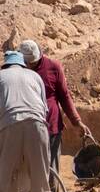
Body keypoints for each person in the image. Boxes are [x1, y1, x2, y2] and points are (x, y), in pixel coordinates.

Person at [19, 39, 89, 174]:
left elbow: (64, 96)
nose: (31, 65)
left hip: (51, 126)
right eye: (28, 63)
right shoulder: (17, 70)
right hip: (26, 128)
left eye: (34, 62)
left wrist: (77, 121)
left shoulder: (53, 66)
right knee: (30, 172)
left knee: (52, 170)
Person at [0, 50, 52, 192]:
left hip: (9, 124)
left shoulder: (1, 76)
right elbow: (44, 108)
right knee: (40, 170)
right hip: (37, 124)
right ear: (22, 64)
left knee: (4, 171)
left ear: (5, 63)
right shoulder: (35, 76)